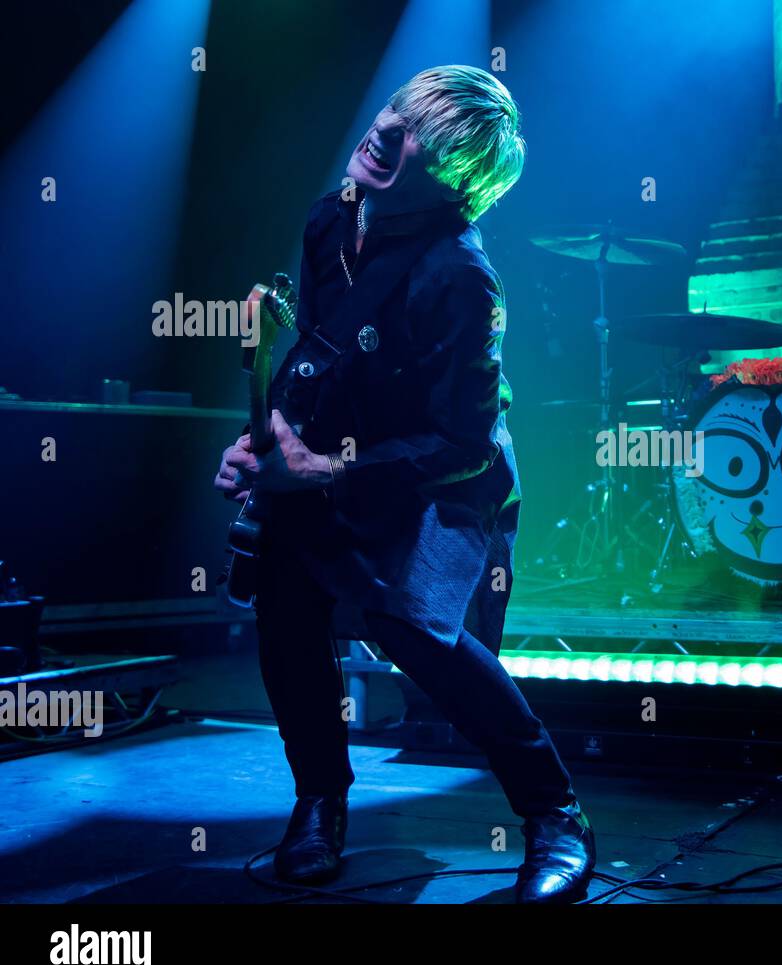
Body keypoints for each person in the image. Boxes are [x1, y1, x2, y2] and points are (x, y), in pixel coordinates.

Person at [213, 66, 594, 904]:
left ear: (459, 182)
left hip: (445, 474)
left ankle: (555, 813)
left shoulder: (461, 275)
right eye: (396, 110)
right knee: (285, 601)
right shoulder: (331, 219)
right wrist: (264, 442)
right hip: (339, 449)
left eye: (421, 136)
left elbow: (462, 440)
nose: (388, 129)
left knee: (413, 626)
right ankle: (319, 802)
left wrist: (323, 468)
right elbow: (317, 357)